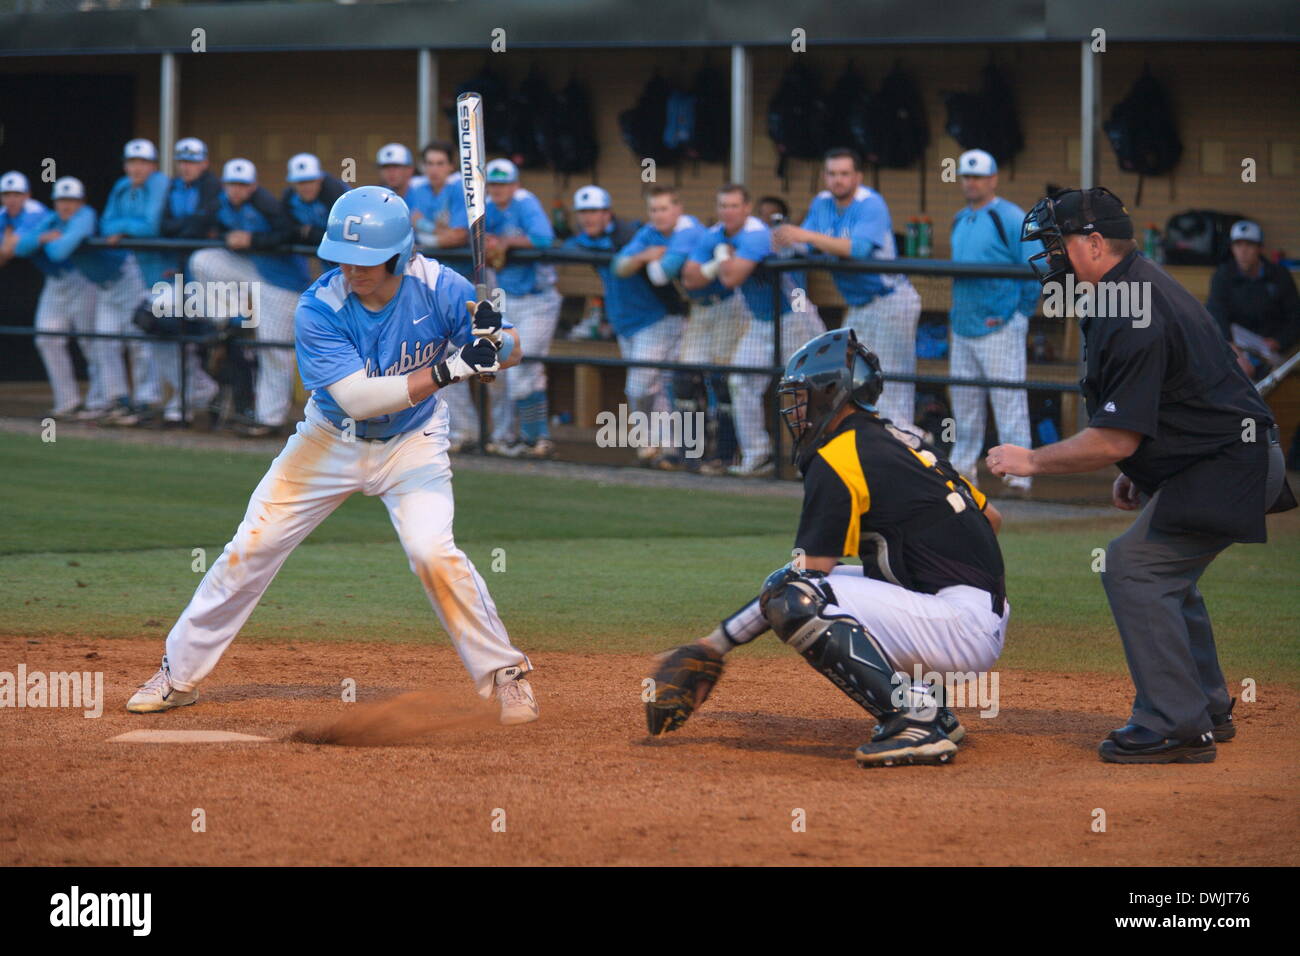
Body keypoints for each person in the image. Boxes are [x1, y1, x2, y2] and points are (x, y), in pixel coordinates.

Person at [125, 186, 540, 726]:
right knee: (251, 547)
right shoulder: (319, 308)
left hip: (413, 443)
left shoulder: (440, 286)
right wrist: (452, 368)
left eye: (366, 260)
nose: (352, 269)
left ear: (399, 255)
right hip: (329, 441)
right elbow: (360, 399)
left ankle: (506, 675)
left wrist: (495, 340)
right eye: (343, 258)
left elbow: (511, 349)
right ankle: (177, 676)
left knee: (432, 552)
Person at [989, 186, 1296, 764]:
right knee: (1162, 573)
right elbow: (1158, 411)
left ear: (1096, 244)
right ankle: (1203, 705)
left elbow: (1113, 437)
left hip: (1229, 464)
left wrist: (1031, 460)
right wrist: (1143, 468)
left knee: (1134, 568)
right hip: (1211, 460)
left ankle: (1175, 724)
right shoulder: (1125, 291)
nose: (1050, 257)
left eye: (1057, 244)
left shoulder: (1134, 305)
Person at [646, 328, 1007, 767]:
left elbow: (808, 577)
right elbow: (992, 520)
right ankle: (930, 707)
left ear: (832, 394)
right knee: (790, 582)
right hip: (975, 613)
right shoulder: (900, 439)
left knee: (797, 596)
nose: (794, 411)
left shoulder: (840, 452)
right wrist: (715, 644)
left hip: (957, 627)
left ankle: (914, 719)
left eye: (801, 396)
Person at [773, 148, 922, 434]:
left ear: (857, 177)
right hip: (859, 304)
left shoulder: (871, 203)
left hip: (891, 300)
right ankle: (874, 441)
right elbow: (804, 245)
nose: (838, 180)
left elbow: (858, 249)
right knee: (853, 376)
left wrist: (805, 235)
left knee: (892, 380)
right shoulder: (822, 202)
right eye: (832, 174)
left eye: (844, 174)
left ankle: (909, 443)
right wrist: (785, 238)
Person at [686, 183, 825, 477]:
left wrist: (721, 256)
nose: (728, 212)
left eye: (735, 206)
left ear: (746, 208)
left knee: (803, 390)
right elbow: (690, 278)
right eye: (723, 206)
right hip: (761, 323)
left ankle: (815, 459)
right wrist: (720, 257)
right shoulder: (716, 234)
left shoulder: (756, 234)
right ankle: (758, 455)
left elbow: (731, 278)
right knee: (740, 381)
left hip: (795, 319)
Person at [188, 158, 309, 437]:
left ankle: (270, 419)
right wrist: (224, 234)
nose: (237, 190)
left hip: (284, 283)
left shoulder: (265, 202)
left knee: (274, 351)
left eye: (242, 185)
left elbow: (288, 233)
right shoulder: (222, 203)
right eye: (232, 184)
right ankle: (227, 320)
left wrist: (251, 240)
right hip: (255, 271)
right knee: (204, 260)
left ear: (253, 185)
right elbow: (200, 226)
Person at [947, 149, 1041, 496]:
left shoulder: (1011, 216)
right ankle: (962, 466)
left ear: (993, 179)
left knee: (1008, 400)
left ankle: (1019, 472)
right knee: (964, 403)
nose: (971, 183)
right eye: (966, 177)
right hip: (964, 323)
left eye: (978, 176)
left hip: (999, 322)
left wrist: (1020, 314)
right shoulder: (960, 218)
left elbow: (1037, 266)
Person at [19, 174, 146, 423]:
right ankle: (115, 401)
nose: (66, 206)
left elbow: (59, 251)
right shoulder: (53, 219)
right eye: (62, 200)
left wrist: (48, 241)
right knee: (103, 342)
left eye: (72, 201)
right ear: (55, 202)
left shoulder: (85, 215)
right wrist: (43, 237)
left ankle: (142, 403)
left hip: (124, 276)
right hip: (102, 285)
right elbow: (22, 246)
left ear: (82, 201)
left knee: (137, 340)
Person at [480, 158, 560, 458]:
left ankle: (537, 438)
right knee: (496, 371)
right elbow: (470, 236)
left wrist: (507, 242)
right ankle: (504, 436)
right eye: (495, 184)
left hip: (538, 298)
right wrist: (490, 243)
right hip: (504, 297)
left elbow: (544, 239)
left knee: (524, 368)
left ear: (515, 185)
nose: (499, 189)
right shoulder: (486, 205)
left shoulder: (526, 202)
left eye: (505, 184)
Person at [3, 171, 94, 418]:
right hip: (54, 282)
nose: (12, 199)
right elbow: (15, 249)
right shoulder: (4, 215)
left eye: (17, 194)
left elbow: (16, 249)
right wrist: (38, 239)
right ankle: (68, 401)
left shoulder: (35, 212)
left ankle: (100, 402)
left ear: (28, 195)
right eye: (7, 194)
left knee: (91, 341)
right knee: (47, 338)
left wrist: (21, 243)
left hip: (80, 279)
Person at [98, 137, 169, 424]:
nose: (137, 168)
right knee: (106, 336)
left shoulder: (159, 182)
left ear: (152, 165)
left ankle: (146, 399)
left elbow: (151, 226)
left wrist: (125, 229)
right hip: (129, 269)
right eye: (132, 162)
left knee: (142, 336)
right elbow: (105, 225)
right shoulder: (121, 186)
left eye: (143, 163)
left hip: (158, 272)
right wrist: (127, 229)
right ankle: (119, 398)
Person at [1207, 219, 1300, 379]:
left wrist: (1279, 341)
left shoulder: (1280, 275)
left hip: (1271, 352)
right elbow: (1216, 313)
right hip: (1234, 347)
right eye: (1238, 245)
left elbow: (1295, 317)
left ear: (1260, 248)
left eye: (1249, 245)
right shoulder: (1223, 275)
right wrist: (1232, 350)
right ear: (1232, 248)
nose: (1243, 251)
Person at [282, 152, 349, 248]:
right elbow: (287, 230)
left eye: (311, 181)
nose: (307, 187)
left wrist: (313, 233)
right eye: (301, 182)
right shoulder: (289, 198)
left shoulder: (335, 193)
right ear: (292, 184)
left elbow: (344, 233)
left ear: (320, 179)